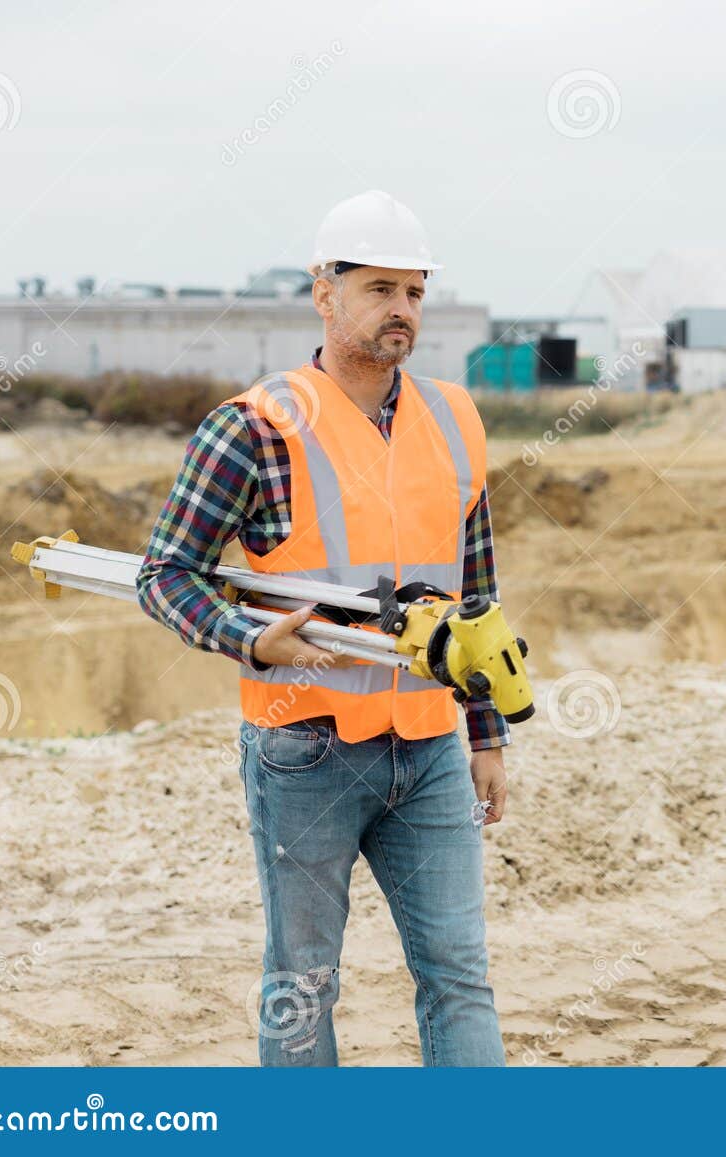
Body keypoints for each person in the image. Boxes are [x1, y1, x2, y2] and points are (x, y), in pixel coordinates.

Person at [136, 191, 507, 1066]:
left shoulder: (456, 419)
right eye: (380, 289)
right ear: (324, 292)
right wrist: (248, 638)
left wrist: (485, 731)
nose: (401, 312)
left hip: (429, 744)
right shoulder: (254, 426)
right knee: (304, 979)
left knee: (459, 973)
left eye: (414, 293)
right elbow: (164, 574)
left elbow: (478, 596)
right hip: (304, 747)